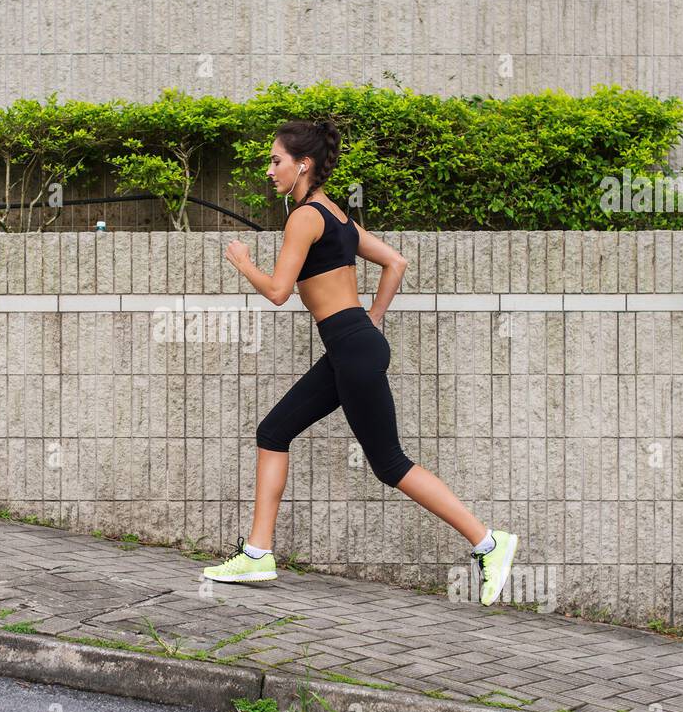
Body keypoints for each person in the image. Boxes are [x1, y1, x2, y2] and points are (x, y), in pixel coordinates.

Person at [203, 119, 517, 606]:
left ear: (301, 163)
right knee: (273, 432)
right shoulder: (338, 216)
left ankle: (489, 543)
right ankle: (259, 552)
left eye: (276, 160)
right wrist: (372, 317)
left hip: (351, 348)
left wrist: (243, 261)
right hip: (352, 345)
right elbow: (395, 261)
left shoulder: (305, 216)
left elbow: (280, 292)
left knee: (389, 464)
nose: (270, 170)